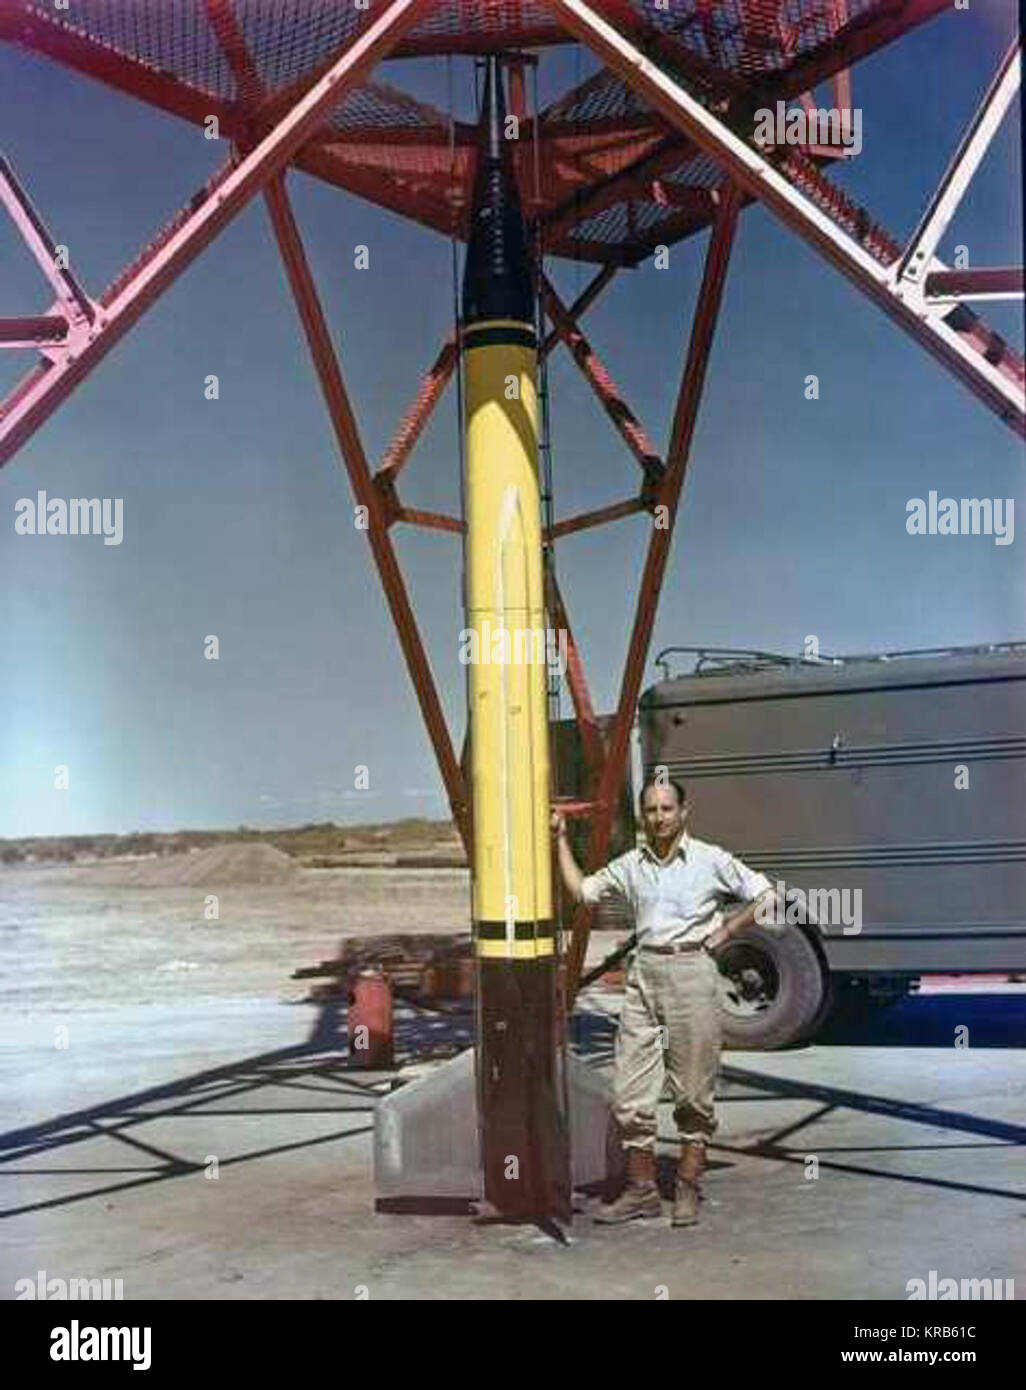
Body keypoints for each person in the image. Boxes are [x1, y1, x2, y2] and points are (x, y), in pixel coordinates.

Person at [552, 777, 776, 1227]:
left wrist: (726, 933)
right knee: (630, 1095)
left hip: (693, 973)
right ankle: (642, 1191)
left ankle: (689, 1185)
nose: (659, 818)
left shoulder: (711, 859)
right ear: (643, 816)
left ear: (683, 812)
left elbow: (769, 895)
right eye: (651, 810)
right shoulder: (632, 865)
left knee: (693, 1091)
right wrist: (558, 840)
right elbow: (583, 892)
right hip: (643, 976)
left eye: (666, 809)